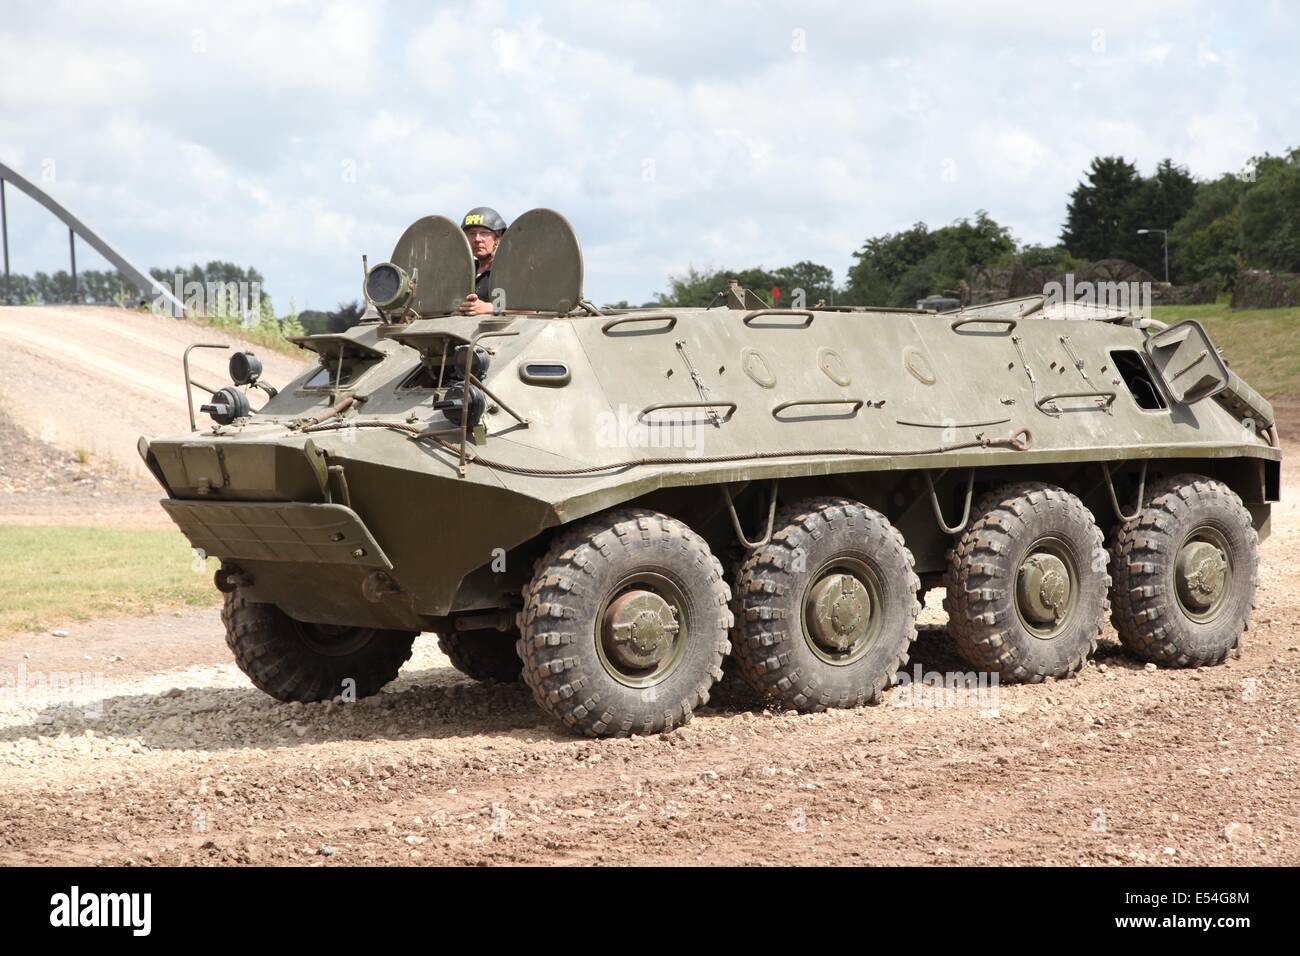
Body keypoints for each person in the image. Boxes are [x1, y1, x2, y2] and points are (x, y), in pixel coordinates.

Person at [458, 206, 508, 315]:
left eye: (484, 233)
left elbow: (534, 308)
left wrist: (492, 308)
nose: (477, 239)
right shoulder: (462, 273)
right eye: (472, 233)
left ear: (497, 238)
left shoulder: (509, 269)